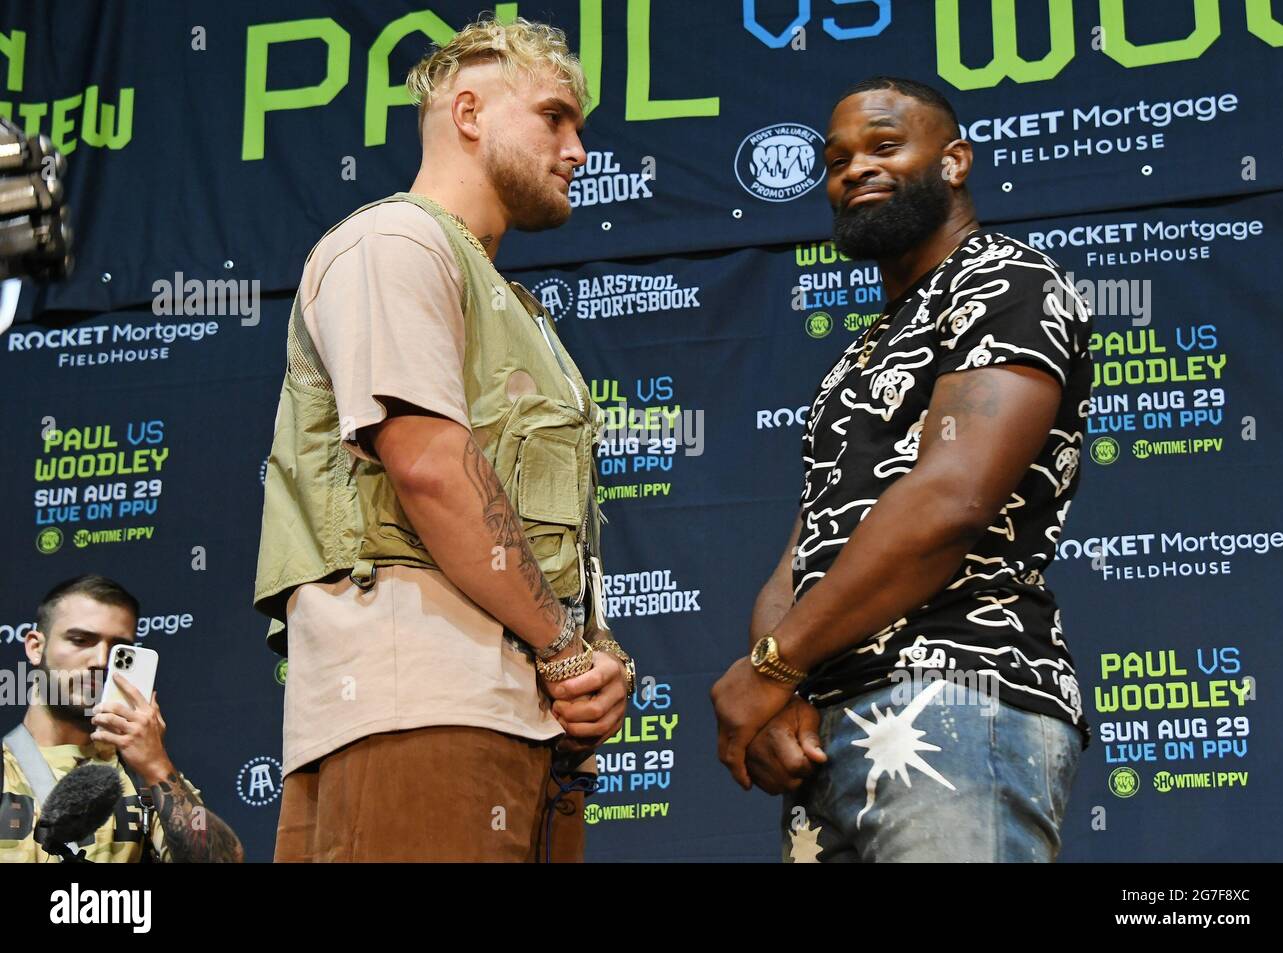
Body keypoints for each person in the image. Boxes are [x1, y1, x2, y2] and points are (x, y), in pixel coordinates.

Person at [254, 15, 633, 863]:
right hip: (417, 707)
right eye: (554, 117)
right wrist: (568, 652)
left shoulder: (508, 301)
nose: (577, 149)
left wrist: (590, 658)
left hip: (522, 725)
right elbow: (429, 467)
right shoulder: (395, 242)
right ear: (469, 113)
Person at [712, 77, 1092, 863]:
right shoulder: (859, 352)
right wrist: (780, 685)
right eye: (837, 159)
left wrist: (777, 663)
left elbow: (951, 498)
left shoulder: (1005, 282)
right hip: (831, 731)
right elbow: (805, 550)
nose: (854, 169)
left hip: (957, 694)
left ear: (954, 162)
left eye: (886, 146)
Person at [1, 574, 243, 862]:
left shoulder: (143, 778)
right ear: (35, 647)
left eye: (118, 650)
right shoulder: (7, 770)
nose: (101, 660)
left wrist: (155, 765)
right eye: (80, 640)